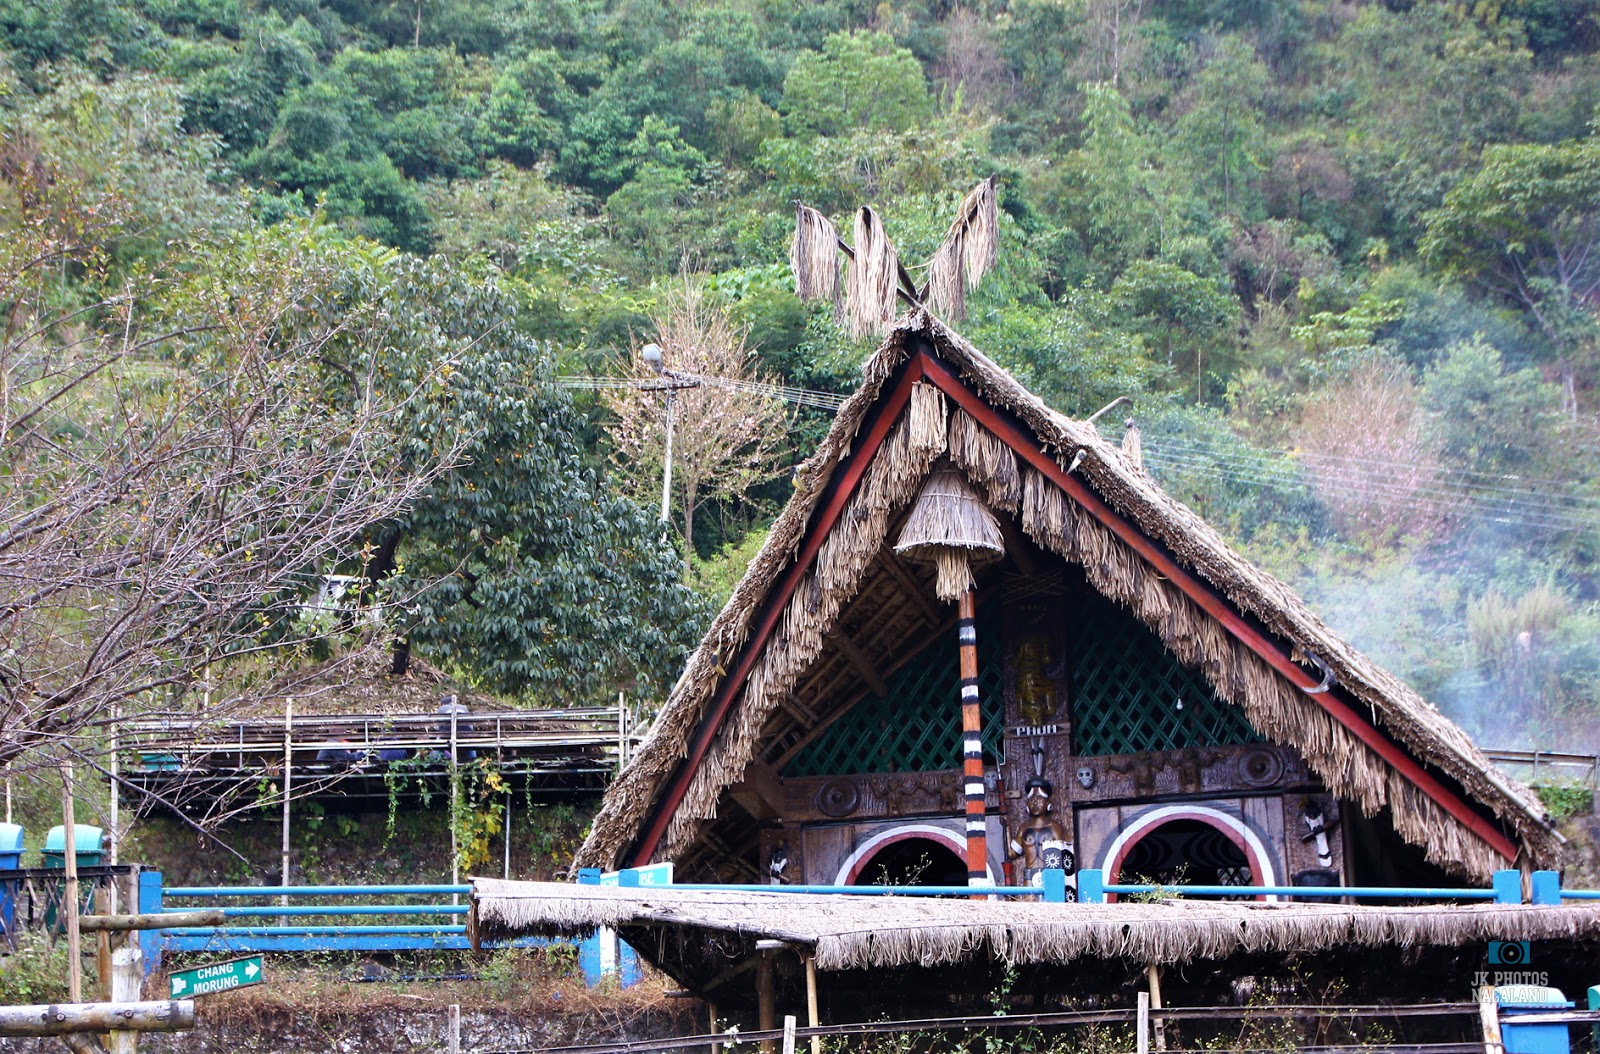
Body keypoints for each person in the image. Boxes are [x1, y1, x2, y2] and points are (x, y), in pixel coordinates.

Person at [1009, 776, 1073, 884]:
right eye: (1032, 800)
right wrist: (1007, 827)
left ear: (1047, 803)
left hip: (1051, 878)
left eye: (1039, 799)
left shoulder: (1055, 827)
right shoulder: (1024, 827)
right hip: (1029, 878)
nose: (1035, 803)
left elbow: (1065, 855)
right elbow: (1012, 853)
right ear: (1027, 805)